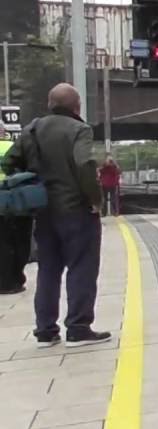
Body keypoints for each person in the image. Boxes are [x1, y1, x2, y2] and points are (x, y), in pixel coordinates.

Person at [2, 84, 111, 349]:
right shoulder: (79, 129)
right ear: (77, 107)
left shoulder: (32, 129)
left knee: (48, 270)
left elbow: (7, 163)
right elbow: (85, 164)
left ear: (50, 104)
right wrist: (95, 200)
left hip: (43, 211)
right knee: (81, 267)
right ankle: (78, 328)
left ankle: (45, 331)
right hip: (76, 211)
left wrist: (31, 181)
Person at [0, 126, 33, 294]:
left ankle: (4, 280)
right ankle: (15, 278)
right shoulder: (11, 148)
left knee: (3, 242)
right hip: (15, 201)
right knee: (20, 240)